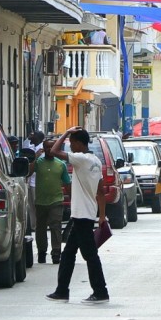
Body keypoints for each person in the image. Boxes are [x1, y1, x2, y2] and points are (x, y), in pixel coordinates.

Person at [45, 128, 109, 304]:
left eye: (72, 142)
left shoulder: (81, 159)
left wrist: (65, 133)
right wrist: (102, 215)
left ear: (80, 143)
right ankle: (62, 290)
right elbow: (101, 190)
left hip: (82, 215)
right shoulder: (95, 161)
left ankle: (101, 292)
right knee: (68, 254)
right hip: (84, 213)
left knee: (90, 255)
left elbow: (54, 151)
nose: (70, 146)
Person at [33, 138, 71, 264]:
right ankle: (42, 252)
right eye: (47, 147)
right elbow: (27, 173)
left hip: (56, 201)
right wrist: (34, 158)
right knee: (41, 229)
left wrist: (72, 200)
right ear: (43, 148)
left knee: (56, 226)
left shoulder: (61, 164)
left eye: (52, 147)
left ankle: (56, 253)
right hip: (40, 202)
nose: (50, 150)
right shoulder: (38, 162)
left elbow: (67, 183)